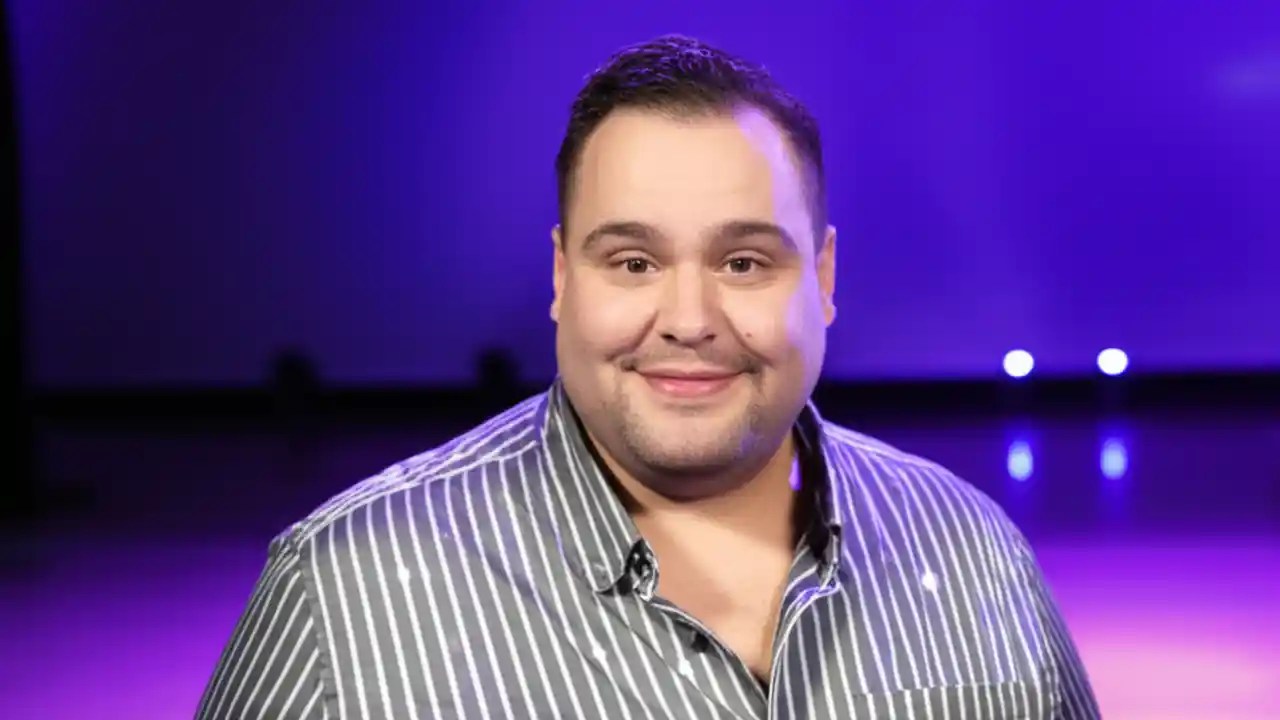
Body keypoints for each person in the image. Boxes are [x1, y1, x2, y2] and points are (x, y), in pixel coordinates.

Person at [197, 34, 1099, 719]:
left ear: (822, 280)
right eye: (632, 263)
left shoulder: (973, 557)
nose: (690, 318)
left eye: (744, 263)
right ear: (561, 278)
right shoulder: (343, 597)